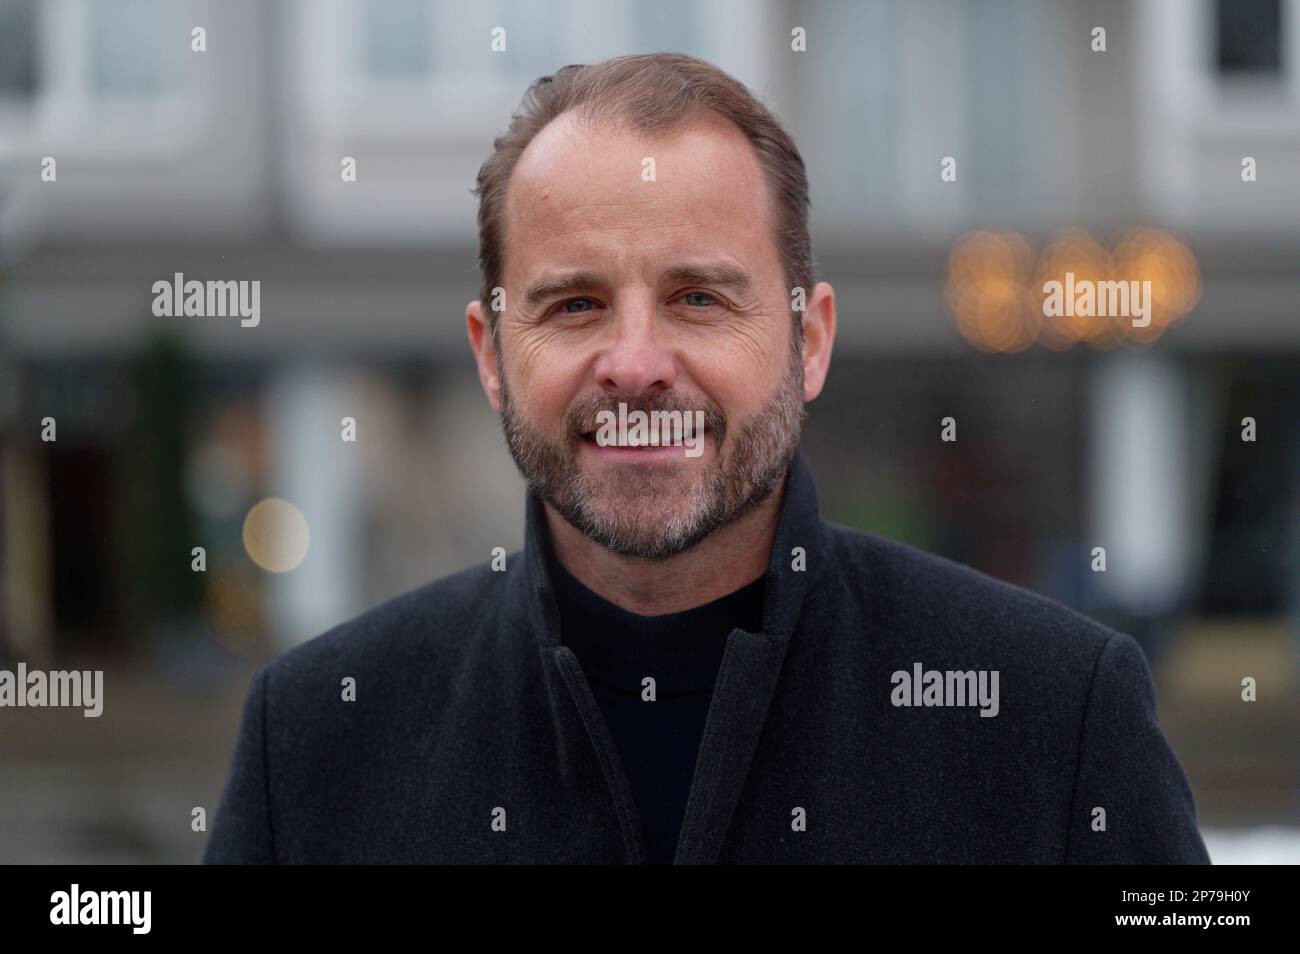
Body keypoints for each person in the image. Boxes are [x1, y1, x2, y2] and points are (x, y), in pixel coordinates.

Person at [205, 53, 1209, 864]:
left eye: (699, 299)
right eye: (574, 305)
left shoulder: (1054, 715)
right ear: (491, 355)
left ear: (809, 342)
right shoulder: (316, 741)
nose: (635, 366)